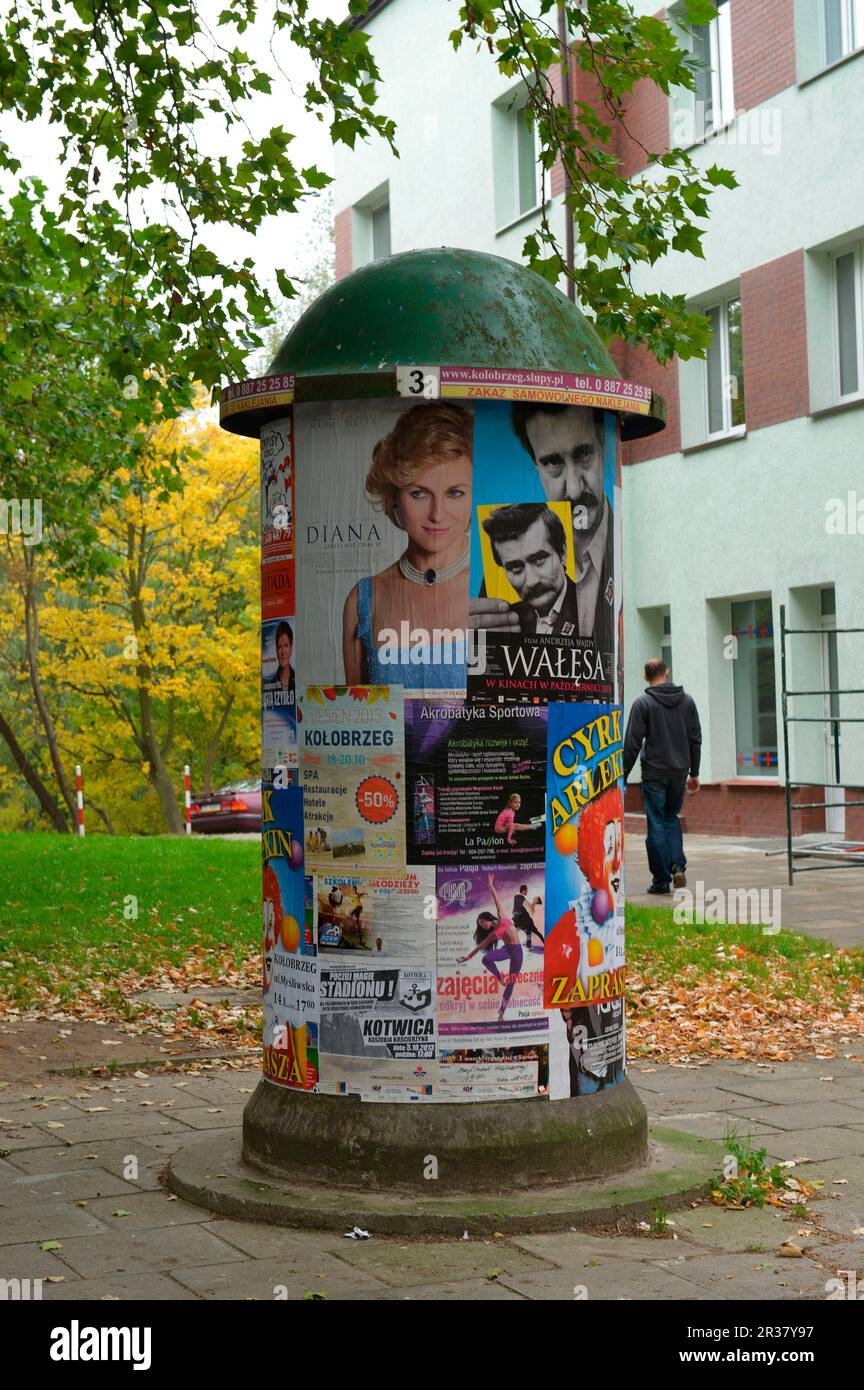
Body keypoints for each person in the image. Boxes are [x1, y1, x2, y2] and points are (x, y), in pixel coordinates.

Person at [343, 402, 472, 690]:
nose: (437, 514)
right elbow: (355, 724)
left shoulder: (498, 587)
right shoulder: (364, 600)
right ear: (393, 498)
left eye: (454, 492)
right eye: (418, 493)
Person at [470, 404, 613, 664]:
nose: (573, 488)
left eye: (584, 454)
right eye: (552, 462)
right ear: (535, 464)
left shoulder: (621, 550)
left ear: (603, 442)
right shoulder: (497, 596)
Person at [622, 657, 702, 894]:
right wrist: (694, 773)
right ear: (667, 673)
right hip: (679, 771)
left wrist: (622, 775)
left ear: (645, 677)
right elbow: (695, 738)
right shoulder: (687, 702)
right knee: (671, 818)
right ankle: (677, 865)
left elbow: (632, 744)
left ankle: (661, 881)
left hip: (654, 772)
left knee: (656, 823)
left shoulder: (643, 704)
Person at [481, 504, 579, 635]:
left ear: (562, 553)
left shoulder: (593, 608)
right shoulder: (503, 622)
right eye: (515, 567)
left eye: (539, 559)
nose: (532, 581)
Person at [457, 873, 524, 1022]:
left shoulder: (502, 916)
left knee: (511, 983)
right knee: (486, 959)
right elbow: (481, 946)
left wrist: (490, 886)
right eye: (480, 925)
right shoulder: (493, 934)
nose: (482, 925)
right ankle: (500, 978)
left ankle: (501, 1012)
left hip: (517, 951)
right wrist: (467, 957)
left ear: (488, 919)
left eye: (482, 922)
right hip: (507, 950)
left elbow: (496, 899)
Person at [512, 883, 544, 952]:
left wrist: (533, 903)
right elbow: (531, 912)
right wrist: (534, 903)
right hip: (525, 921)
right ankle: (529, 946)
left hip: (517, 920)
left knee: (526, 932)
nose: (527, 892)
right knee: (534, 932)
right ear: (523, 891)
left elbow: (517, 908)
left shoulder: (516, 897)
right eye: (526, 890)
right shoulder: (524, 900)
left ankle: (526, 946)